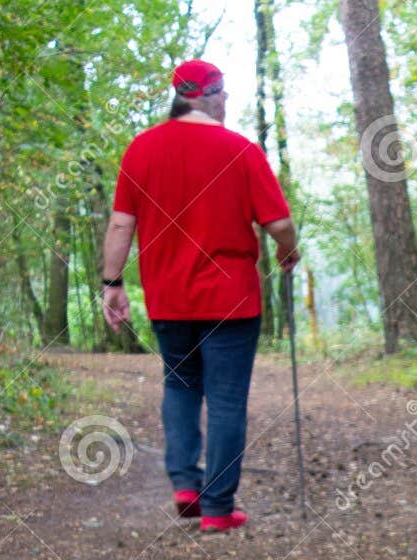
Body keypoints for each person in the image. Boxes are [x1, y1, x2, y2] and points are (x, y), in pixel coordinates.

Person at [101, 59, 300, 533]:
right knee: (227, 399)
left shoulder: (142, 149)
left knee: (180, 385)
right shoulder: (240, 150)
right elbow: (279, 224)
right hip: (231, 298)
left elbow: (121, 224)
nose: (227, 103)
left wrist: (113, 285)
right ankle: (217, 509)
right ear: (208, 94)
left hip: (169, 297)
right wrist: (288, 252)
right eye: (224, 94)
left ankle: (186, 485)